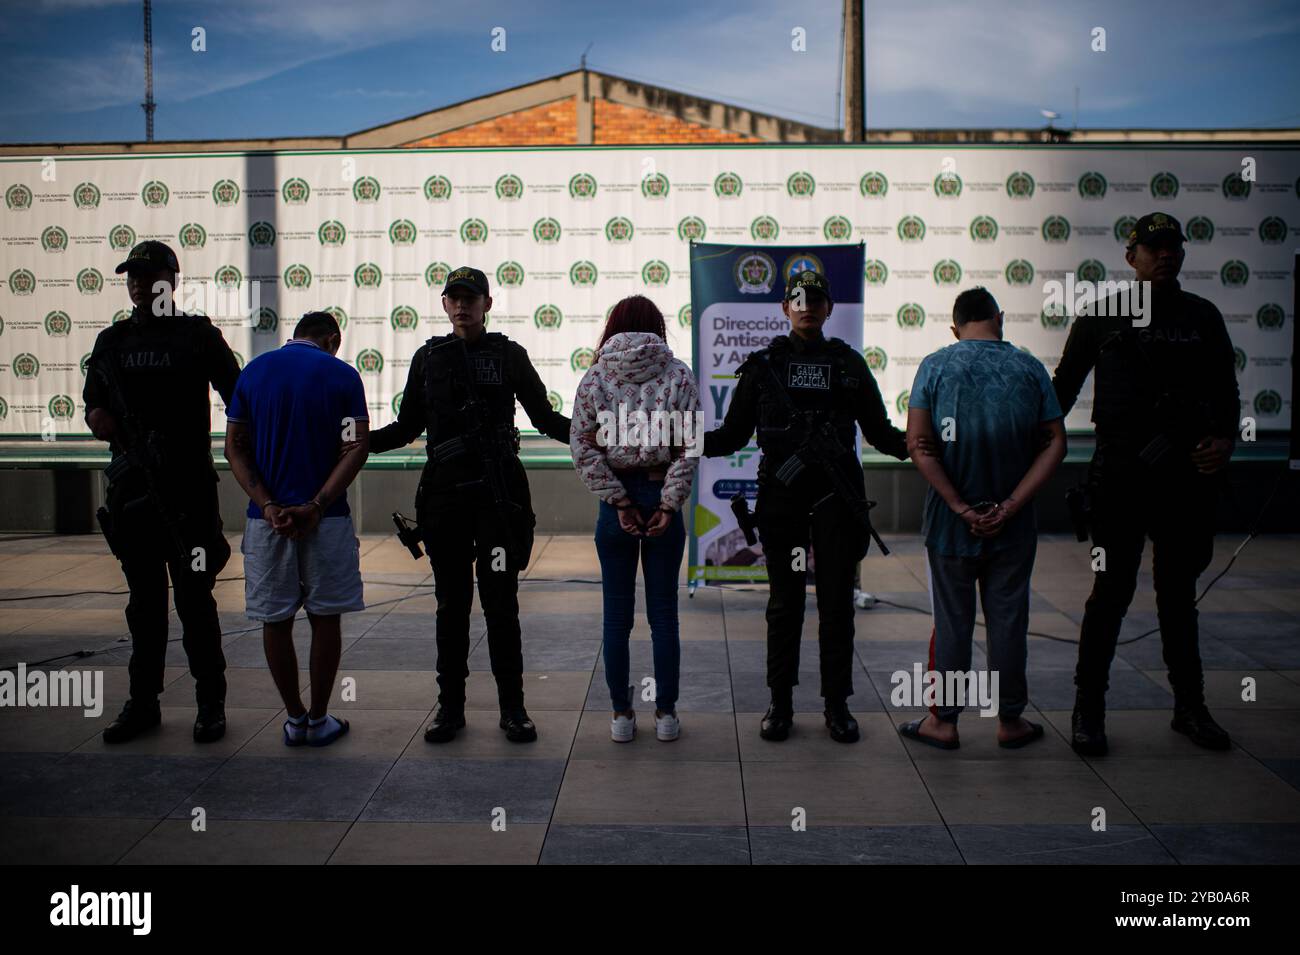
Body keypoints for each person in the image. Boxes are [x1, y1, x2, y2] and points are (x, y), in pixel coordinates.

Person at [1053, 212, 1239, 756]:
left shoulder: (1202, 317)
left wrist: (1224, 439)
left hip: (1184, 481)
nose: (1165, 255)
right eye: (1153, 247)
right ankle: (1088, 709)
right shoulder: (1100, 318)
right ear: (1130, 256)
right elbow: (1059, 394)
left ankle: (1190, 706)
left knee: (1178, 596)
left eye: (1173, 247)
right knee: (1110, 593)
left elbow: (1226, 391)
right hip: (1121, 481)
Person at [703, 268, 909, 742]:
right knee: (784, 605)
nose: (806, 306)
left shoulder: (848, 365)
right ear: (784, 308)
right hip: (783, 500)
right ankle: (781, 702)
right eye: (797, 299)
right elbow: (731, 436)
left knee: (837, 605)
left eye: (815, 299)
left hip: (838, 501)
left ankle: (837, 705)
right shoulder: (763, 366)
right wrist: (677, 440)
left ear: (828, 308)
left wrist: (927, 446)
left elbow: (880, 433)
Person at [368, 267, 571, 744]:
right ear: (444, 305)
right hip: (445, 500)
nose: (462, 306)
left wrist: (594, 434)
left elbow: (544, 417)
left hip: (497, 499)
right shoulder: (428, 358)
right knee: (451, 605)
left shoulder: (509, 355)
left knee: (501, 604)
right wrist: (356, 441)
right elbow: (405, 427)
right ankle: (450, 710)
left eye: (471, 298)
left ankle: (513, 709)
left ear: (487, 304)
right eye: (454, 298)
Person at [83, 240, 241, 743]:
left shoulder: (197, 336)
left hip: (187, 494)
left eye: (149, 274)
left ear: (171, 279)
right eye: (132, 274)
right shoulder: (111, 343)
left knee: (196, 601)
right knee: (145, 605)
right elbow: (94, 409)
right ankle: (143, 703)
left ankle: (210, 704)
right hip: (133, 492)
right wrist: (105, 423)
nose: (138, 282)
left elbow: (237, 396)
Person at [898, 287, 1066, 751]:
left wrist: (959, 505)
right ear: (1000, 318)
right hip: (1014, 524)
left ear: (955, 328)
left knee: (953, 622)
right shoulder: (1030, 368)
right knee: (1009, 621)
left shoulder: (935, 365)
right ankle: (1010, 721)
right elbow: (1056, 443)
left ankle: (944, 724)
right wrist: (1010, 506)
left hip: (952, 524)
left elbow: (917, 445)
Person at [223, 311, 369, 747]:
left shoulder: (253, 373)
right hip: (327, 519)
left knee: (275, 618)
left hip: (267, 522)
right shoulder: (342, 376)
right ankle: (321, 718)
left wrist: (268, 505)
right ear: (332, 339)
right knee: (325, 616)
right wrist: (316, 505)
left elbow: (234, 447)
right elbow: (355, 446)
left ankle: (294, 717)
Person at [570, 295, 700, 742]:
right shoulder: (678, 374)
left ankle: (621, 717)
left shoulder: (596, 377)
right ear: (658, 327)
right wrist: (667, 504)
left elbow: (583, 448)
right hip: (662, 489)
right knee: (664, 616)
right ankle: (666, 716)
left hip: (616, 501)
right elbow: (690, 447)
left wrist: (620, 503)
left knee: (616, 617)